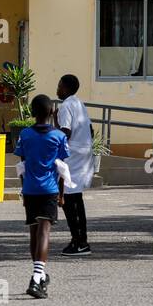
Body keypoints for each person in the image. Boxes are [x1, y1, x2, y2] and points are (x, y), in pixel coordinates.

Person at [14, 94, 70, 300]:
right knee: (45, 232)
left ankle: (40, 274)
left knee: (34, 233)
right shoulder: (58, 137)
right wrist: (62, 196)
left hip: (30, 189)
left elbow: (22, 166)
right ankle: (37, 277)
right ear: (51, 112)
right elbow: (62, 168)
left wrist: (24, 191)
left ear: (31, 113)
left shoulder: (25, 135)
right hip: (49, 189)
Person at [55, 74, 93, 256]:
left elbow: (65, 133)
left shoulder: (65, 106)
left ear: (66, 88)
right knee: (76, 199)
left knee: (69, 200)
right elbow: (90, 129)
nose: (57, 89)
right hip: (84, 153)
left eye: (59, 86)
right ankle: (81, 239)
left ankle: (79, 242)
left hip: (73, 157)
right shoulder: (79, 103)